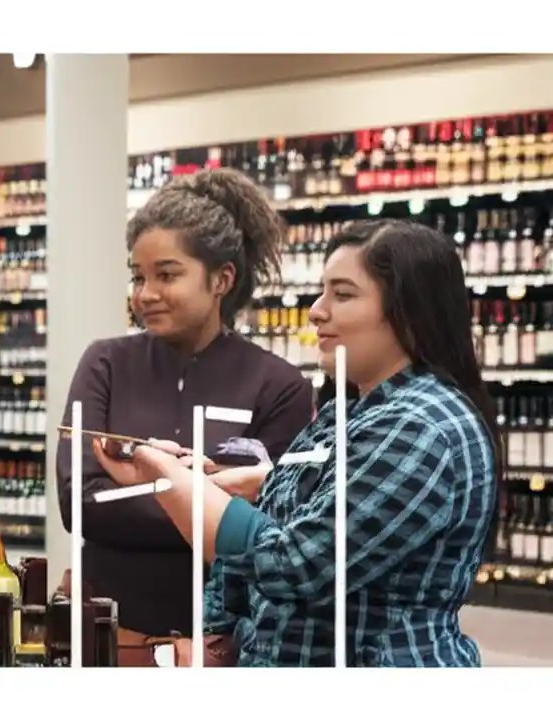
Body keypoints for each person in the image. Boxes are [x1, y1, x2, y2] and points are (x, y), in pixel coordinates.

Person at [103, 218, 501, 667]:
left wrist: (171, 480)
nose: (316, 311)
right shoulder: (345, 411)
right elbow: (270, 529)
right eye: (322, 290)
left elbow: (295, 562)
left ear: (408, 309)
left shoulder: (421, 428)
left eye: (343, 294)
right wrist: (219, 634)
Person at [55, 167, 315, 666]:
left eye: (167, 275)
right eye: (137, 276)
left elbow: (277, 531)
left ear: (222, 279)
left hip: (220, 649)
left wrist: (147, 489)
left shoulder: (279, 386)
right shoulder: (104, 362)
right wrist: (212, 501)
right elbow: (79, 505)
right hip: (106, 639)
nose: (145, 293)